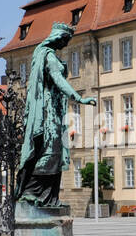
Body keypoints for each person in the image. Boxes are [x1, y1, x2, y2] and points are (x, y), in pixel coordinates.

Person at [16, 23, 96, 207]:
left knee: (54, 152)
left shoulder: (43, 54)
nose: (65, 45)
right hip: (48, 112)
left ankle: (49, 198)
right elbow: (59, 80)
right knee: (51, 151)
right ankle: (31, 192)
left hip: (53, 110)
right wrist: (79, 98)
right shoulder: (50, 57)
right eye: (65, 41)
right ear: (58, 37)